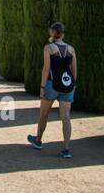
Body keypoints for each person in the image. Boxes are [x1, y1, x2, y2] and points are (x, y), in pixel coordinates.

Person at [27, 22, 76, 158]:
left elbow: (46, 69)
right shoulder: (71, 49)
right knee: (66, 117)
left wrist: (42, 87)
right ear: (63, 33)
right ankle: (66, 149)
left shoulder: (49, 48)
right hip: (67, 84)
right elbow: (74, 71)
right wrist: (73, 85)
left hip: (51, 84)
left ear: (52, 33)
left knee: (44, 114)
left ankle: (38, 140)